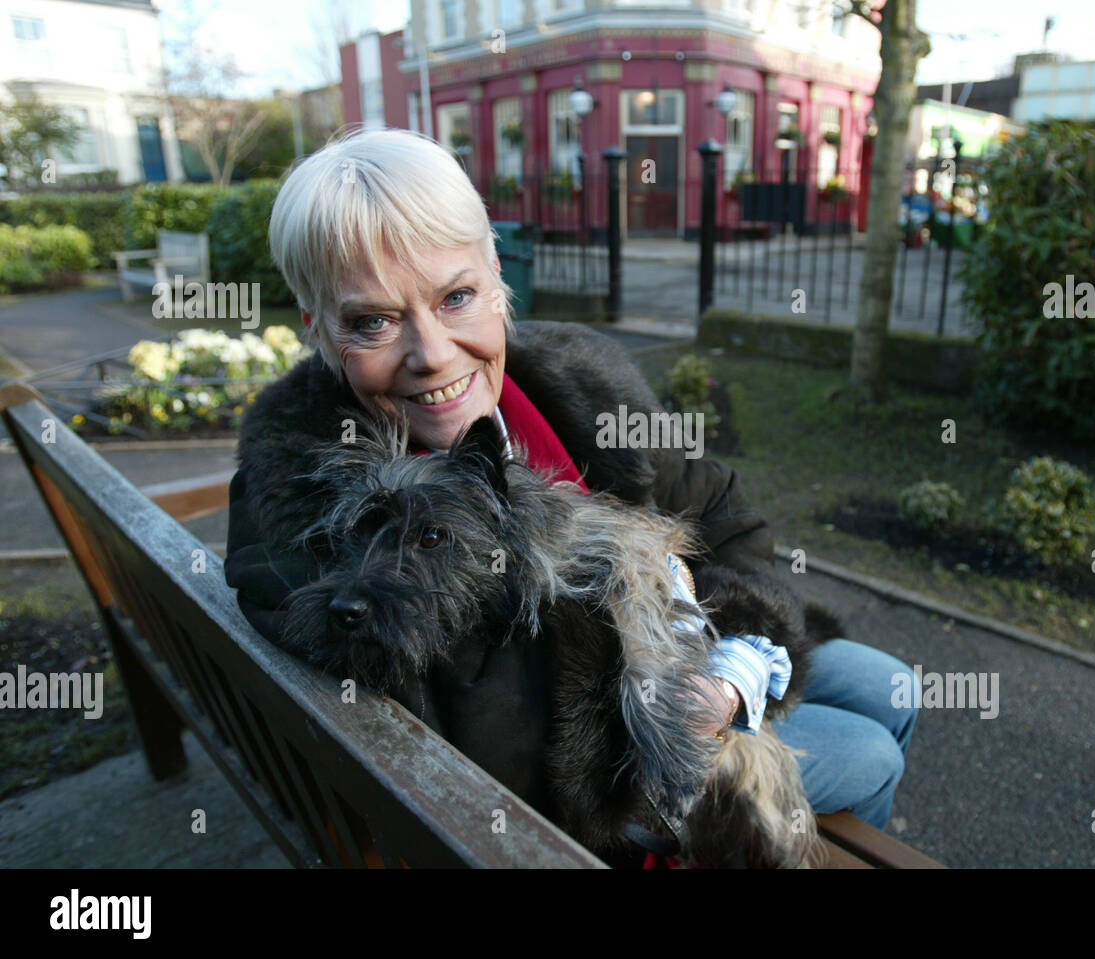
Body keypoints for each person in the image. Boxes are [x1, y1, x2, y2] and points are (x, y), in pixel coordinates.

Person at [222, 128, 918, 855]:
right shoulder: (307, 489)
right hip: (593, 785)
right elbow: (476, 744)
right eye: (373, 320)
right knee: (871, 750)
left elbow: (723, 513)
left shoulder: (574, 377)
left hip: (693, 659)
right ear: (319, 330)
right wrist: (671, 683)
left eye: (456, 295)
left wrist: (737, 668)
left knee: (888, 683)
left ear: (496, 273)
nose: (430, 354)